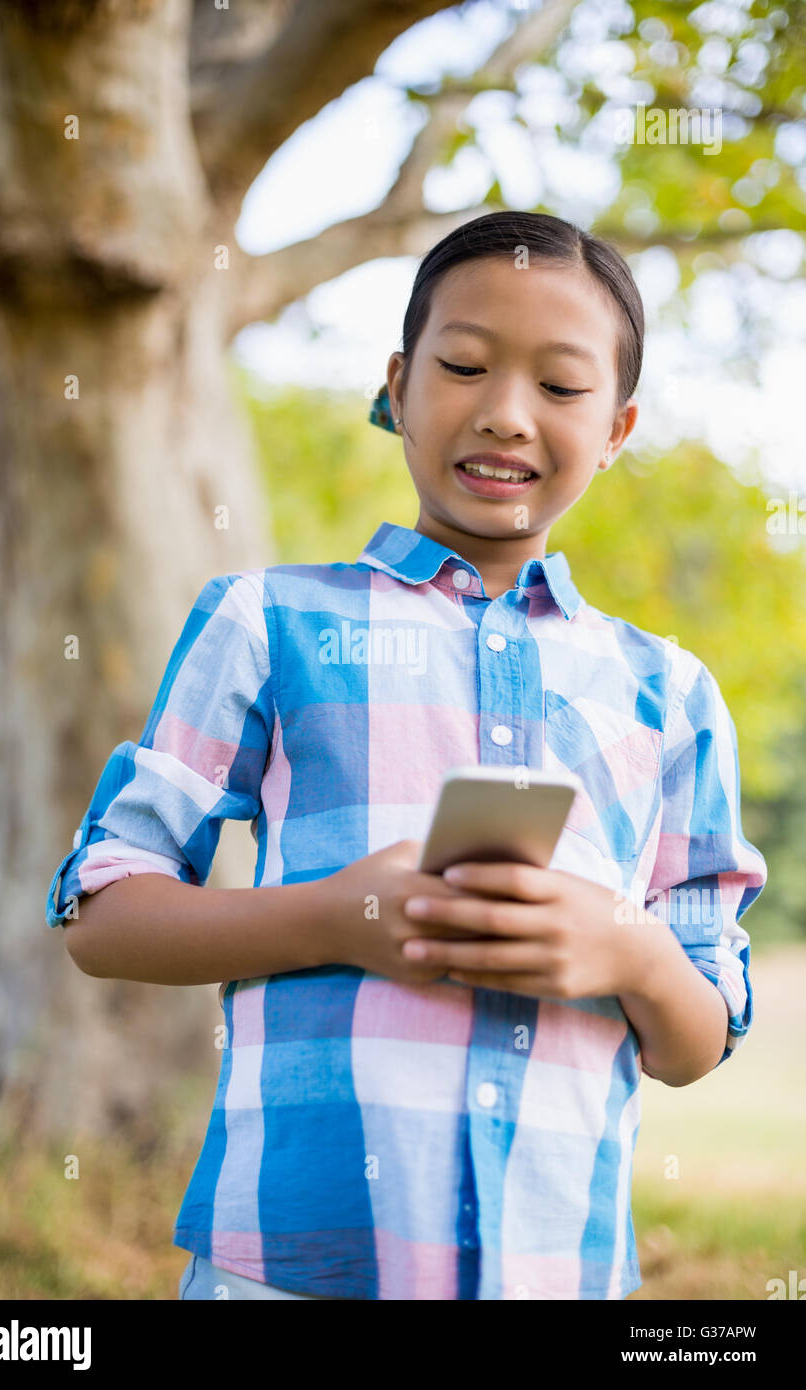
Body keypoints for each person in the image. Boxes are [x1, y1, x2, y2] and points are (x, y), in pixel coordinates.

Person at [45, 210, 768, 1301]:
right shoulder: (264, 620)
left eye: (559, 389)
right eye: (463, 365)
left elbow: (695, 1034)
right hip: (282, 1272)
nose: (504, 414)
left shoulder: (669, 695)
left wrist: (623, 949)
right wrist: (335, 916)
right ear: (397, 383)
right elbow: (102, 912)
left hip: (558, 1276)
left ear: (616, 428)